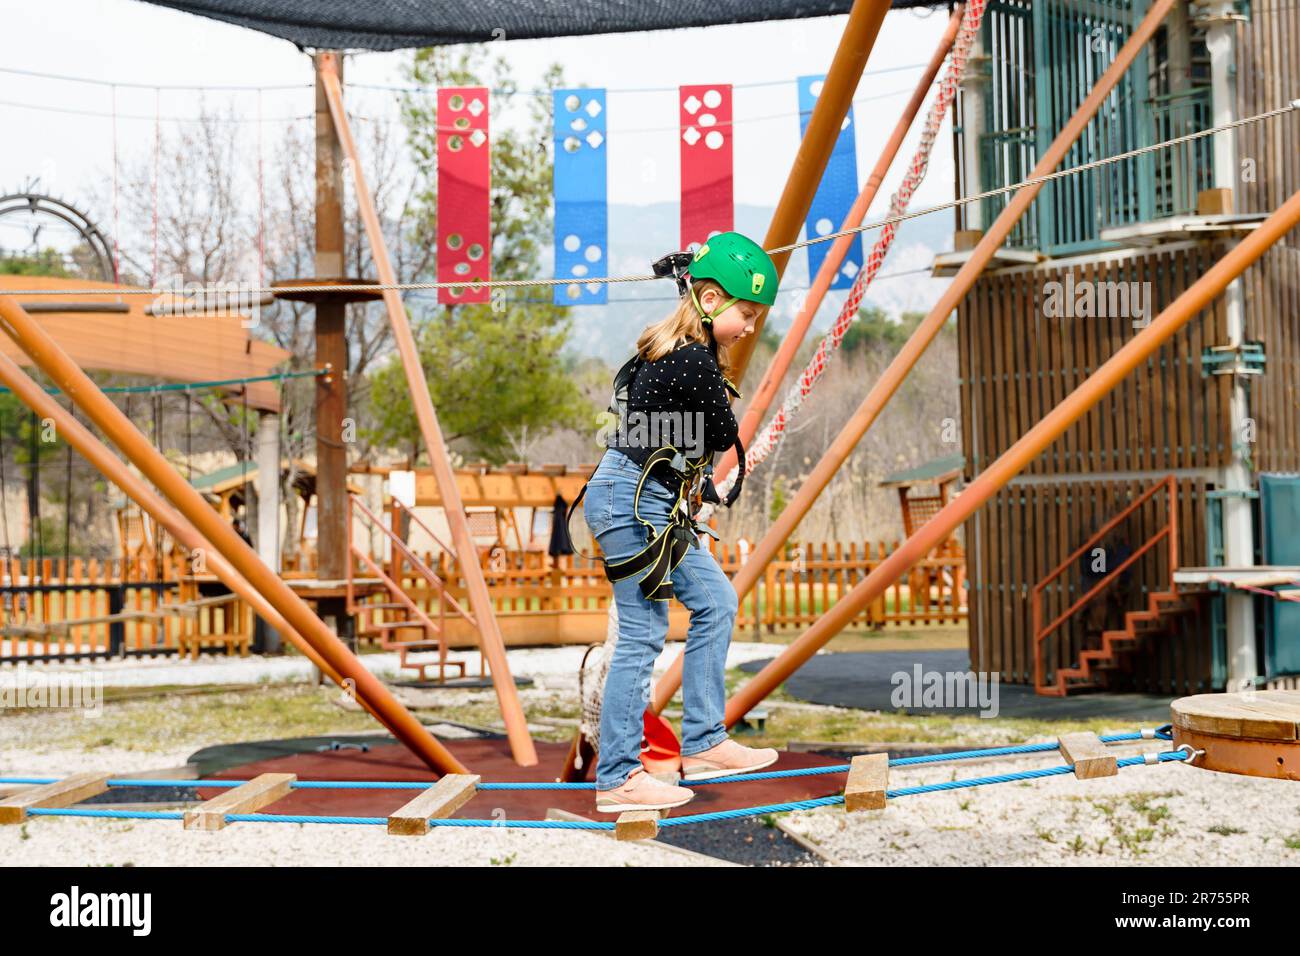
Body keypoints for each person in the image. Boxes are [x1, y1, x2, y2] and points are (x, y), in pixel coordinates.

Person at [579, 232, 780, 813]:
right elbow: (721, 434)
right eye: (745, 313)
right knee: (642, 632)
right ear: (712, 300)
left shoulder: (680, 351)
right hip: (631, 497)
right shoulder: (693, 360)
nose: (748, 327)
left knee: (716, 601)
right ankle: (618, 774)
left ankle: (705, 737)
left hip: (648, 498)